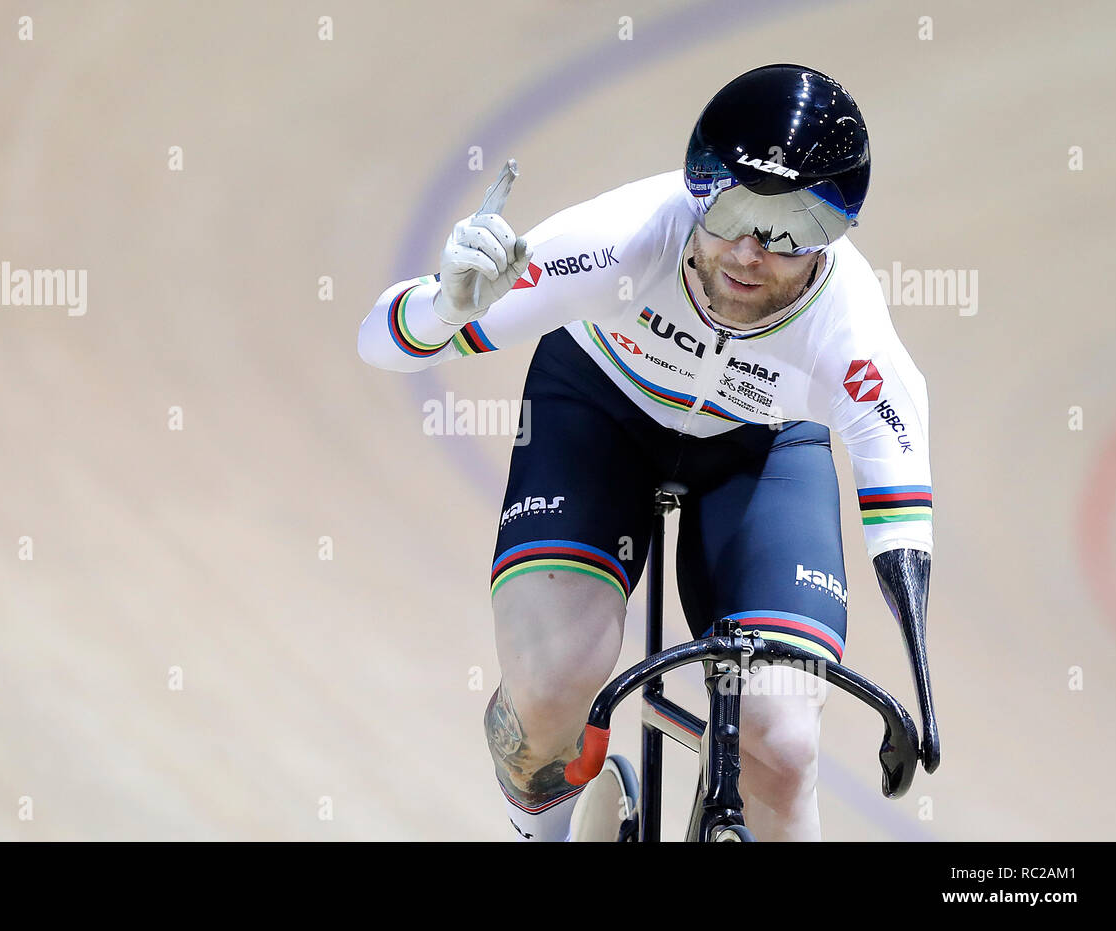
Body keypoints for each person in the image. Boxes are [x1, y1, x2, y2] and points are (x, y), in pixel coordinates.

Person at [358, 64, 933, 841]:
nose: (750, 250)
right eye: (729, 208)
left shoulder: (851, 328)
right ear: (697, 187)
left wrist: (922, 690)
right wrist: (442, 304)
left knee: (786, 747)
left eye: (791, 227)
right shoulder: (622, 240)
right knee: (549, 689)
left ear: (834, 237)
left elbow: (899, 512)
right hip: (601, 411)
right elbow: (382, 343)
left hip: (758, 451)